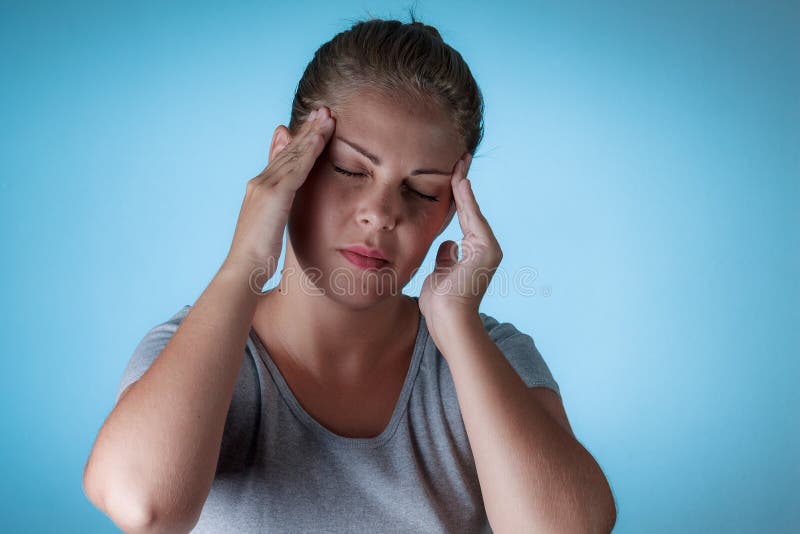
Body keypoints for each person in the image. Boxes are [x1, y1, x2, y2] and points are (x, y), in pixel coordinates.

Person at [83, 16, 616, 533]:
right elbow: (144, 507)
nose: (381, 212)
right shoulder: (195, 349)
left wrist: (457, 327)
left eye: (422, 191)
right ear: (284, 160)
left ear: (451, 211)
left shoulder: (490, 355)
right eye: (349, 169)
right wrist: (244, 264)